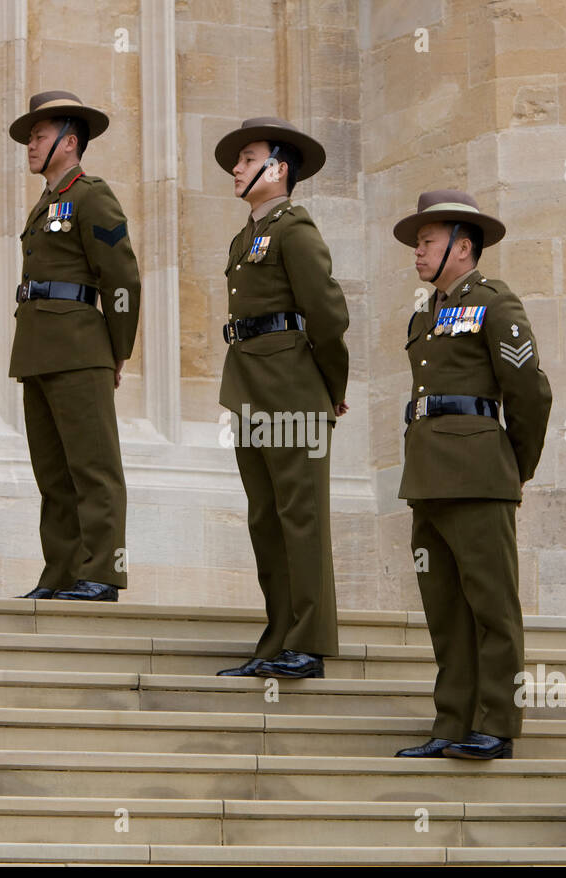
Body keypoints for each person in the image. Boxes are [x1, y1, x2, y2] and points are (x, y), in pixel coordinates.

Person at [389, 190, 552, 760]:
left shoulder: (494, 302)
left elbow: (529, 390)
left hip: (480, 474)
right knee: (444, 606)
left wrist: (515, 467)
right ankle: (452, 720)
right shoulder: (425, 313)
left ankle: (497, 723)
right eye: (417, 243)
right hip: (428, 477)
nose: (417, 252)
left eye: (426, 242)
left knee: (491, 604)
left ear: (462, 246)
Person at [211, 117, 349, 679]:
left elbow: (328, 316)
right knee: (266, 516)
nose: (237, 169)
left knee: (301, 515)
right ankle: (278, 636)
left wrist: (328, 390)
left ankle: (308, 641)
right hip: (249, 385)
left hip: (292, 386)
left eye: (247, 159)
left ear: (278, 168)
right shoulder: (246, 237)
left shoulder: (294, 229)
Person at [8, 91, 141, 602]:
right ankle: (61, 571)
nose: (30, 145)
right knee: (53, 472)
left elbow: (121, 276)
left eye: (39, 136)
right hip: (39, 350)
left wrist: (118, 349)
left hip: (82, 348)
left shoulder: (92, 195)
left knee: (93, 466)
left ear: (69, 140)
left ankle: (102, 572)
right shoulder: (45, 204)